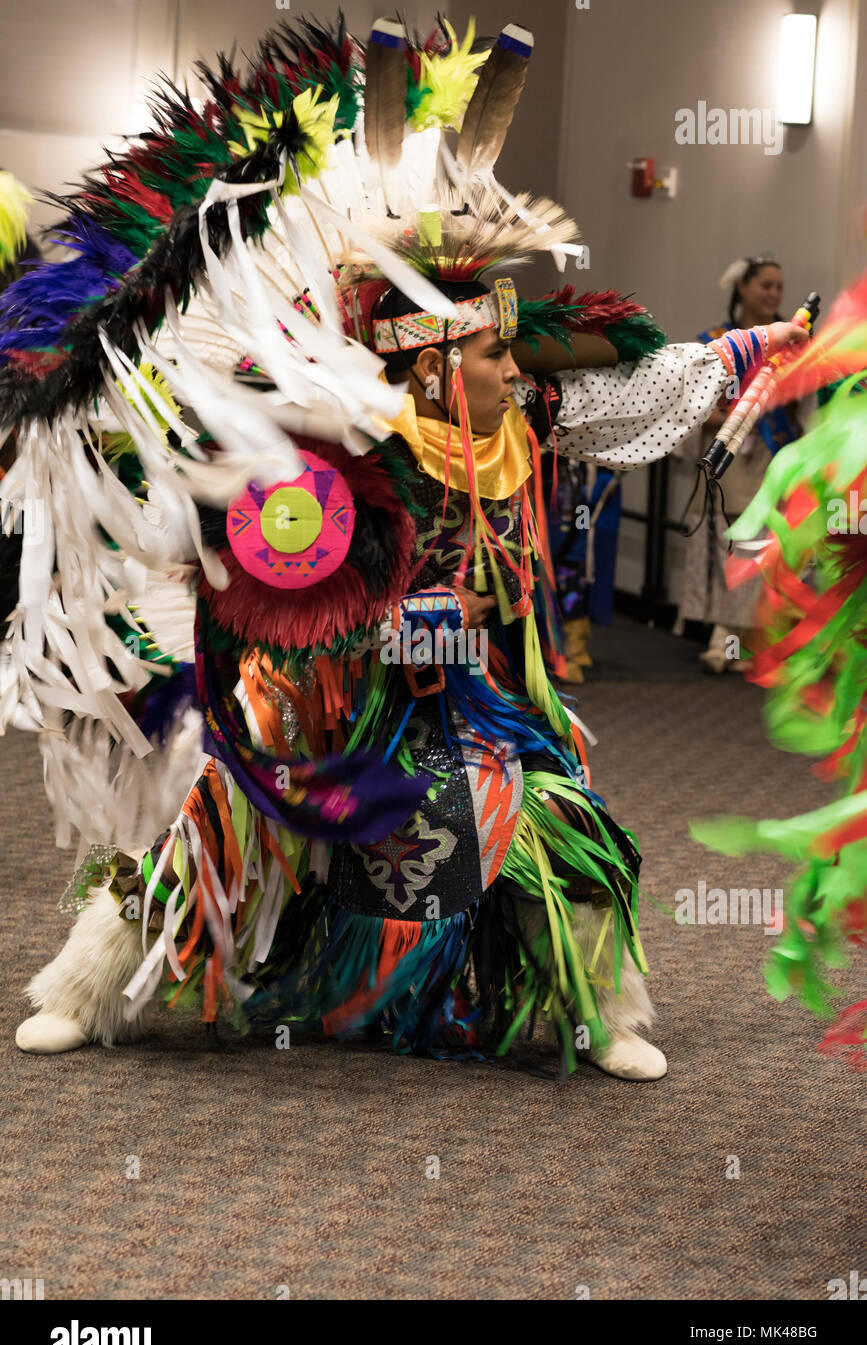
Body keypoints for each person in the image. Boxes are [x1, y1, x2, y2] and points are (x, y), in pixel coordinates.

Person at [2, 16, 807, 1081]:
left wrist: (758, 345)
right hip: (329, 685)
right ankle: (87, 987)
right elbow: (261, 565)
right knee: (225, 801)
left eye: (508, 347)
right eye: (485, 350)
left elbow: (644, 387)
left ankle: (604, 1010)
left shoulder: (528, 417)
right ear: (425, 364)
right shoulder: (337, 444)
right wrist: (388, 612)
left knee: (554, 821)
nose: (507, 367)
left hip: (473, 697)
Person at [674, 254, 810, 672]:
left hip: (771, 455)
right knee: (726, 540)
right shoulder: (718, 341)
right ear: (742, 288)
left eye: (779, 287)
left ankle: (740, 643)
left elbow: (805, 403)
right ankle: (725, 639)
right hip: (728, 452)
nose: (773, 294)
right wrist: (721, 414)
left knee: (760, 546)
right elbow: (693, 399)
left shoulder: (794, 343)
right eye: (765, 285)